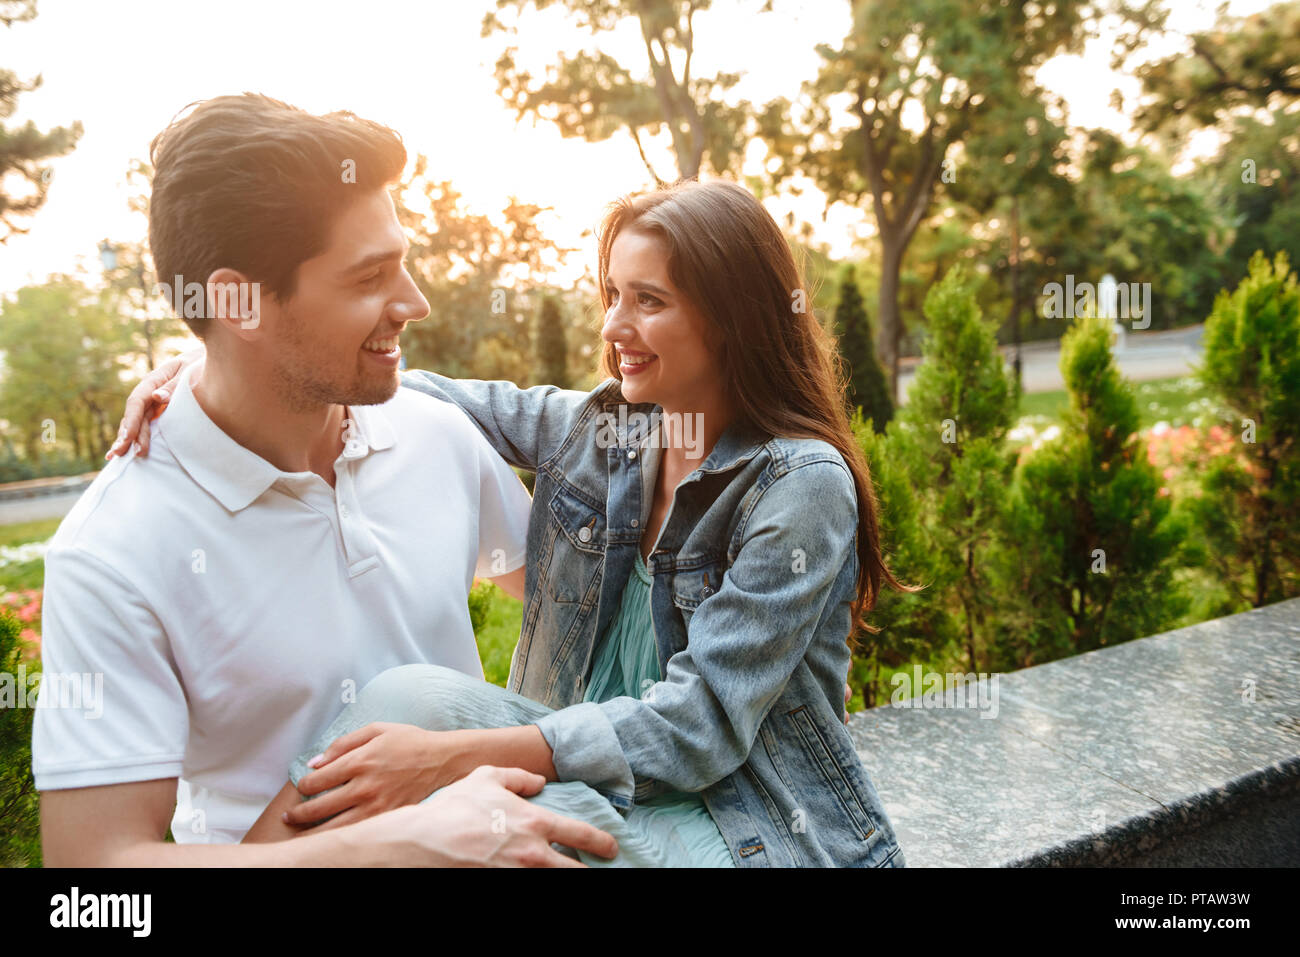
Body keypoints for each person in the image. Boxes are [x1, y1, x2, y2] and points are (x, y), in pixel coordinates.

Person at [113, 177, 910, 867]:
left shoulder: (798, 483)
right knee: (406, 696)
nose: (612, 329)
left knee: (466, 820)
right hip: (593, 781)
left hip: (739, 824)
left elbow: (700, 727)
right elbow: (415, 386)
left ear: (731, 318)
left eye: (649, 301)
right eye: (610, 295)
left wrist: (448, 762)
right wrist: (213, 364)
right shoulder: (611, 435)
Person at [32, 93, 618, 867]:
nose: (415, 302)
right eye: (371, 276)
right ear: (237, 301)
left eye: (402, 263)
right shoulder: (115, 549)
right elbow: (96, 880)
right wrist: (404, 842)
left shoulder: (436, 434)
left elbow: (583, 618)